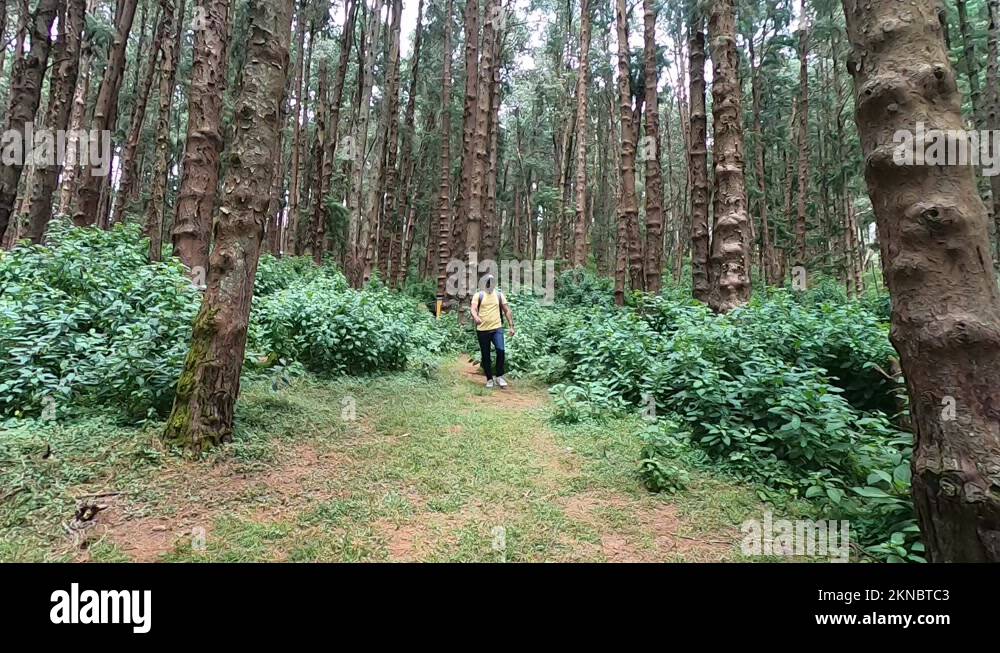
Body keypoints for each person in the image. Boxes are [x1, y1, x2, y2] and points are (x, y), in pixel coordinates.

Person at [470, 274, 515, 388]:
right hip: (482, 330)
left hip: (497, 328)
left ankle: (499, 376)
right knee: (486, 355)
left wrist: (511, 326)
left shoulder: (499, 295)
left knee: (501, 350)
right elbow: (473, 308)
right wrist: (476, 317)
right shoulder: (478, 295)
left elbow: (507, 310)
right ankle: (489, 379)